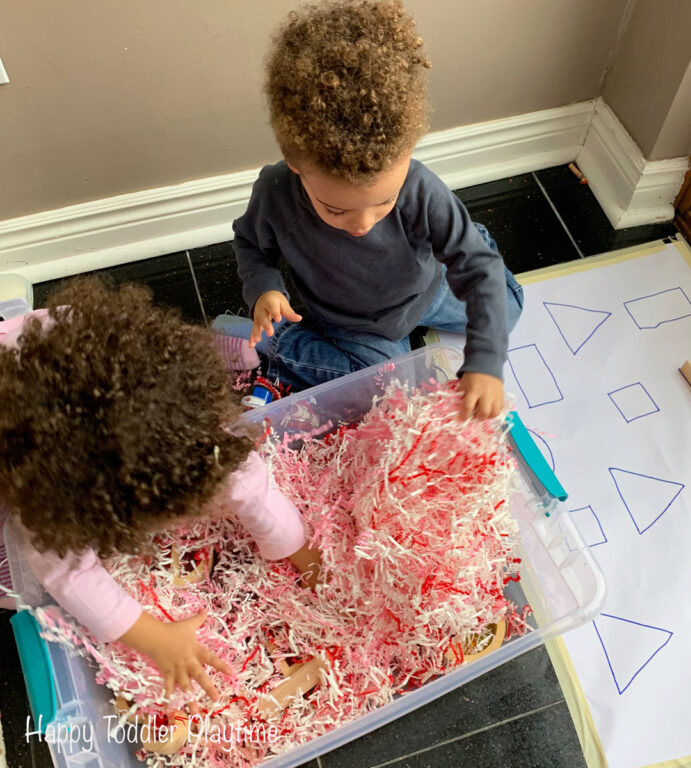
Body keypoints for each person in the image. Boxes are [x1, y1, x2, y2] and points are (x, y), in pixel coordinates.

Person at [0, 278, 320, 703]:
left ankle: (216, 345)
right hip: (13, 436)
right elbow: (68, 574)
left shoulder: (180, 407)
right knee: (16, 578)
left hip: (51, 346)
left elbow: (244, 475)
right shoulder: (46, 487)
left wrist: (295, 545)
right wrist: (156, 638)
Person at [228, 0, 523, 420]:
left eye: (384, 202)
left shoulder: (420, 187)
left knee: (508, 308)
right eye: (336, 210)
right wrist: (264, 289)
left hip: (425, 290)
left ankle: (459, 234)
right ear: (296, 163)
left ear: (407, 152)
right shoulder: (276, 192)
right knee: (389, 392)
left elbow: (478, 269)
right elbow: (249, 244)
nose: (363, 224)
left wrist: (486, 363)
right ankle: (258, 342)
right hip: (350, 321)